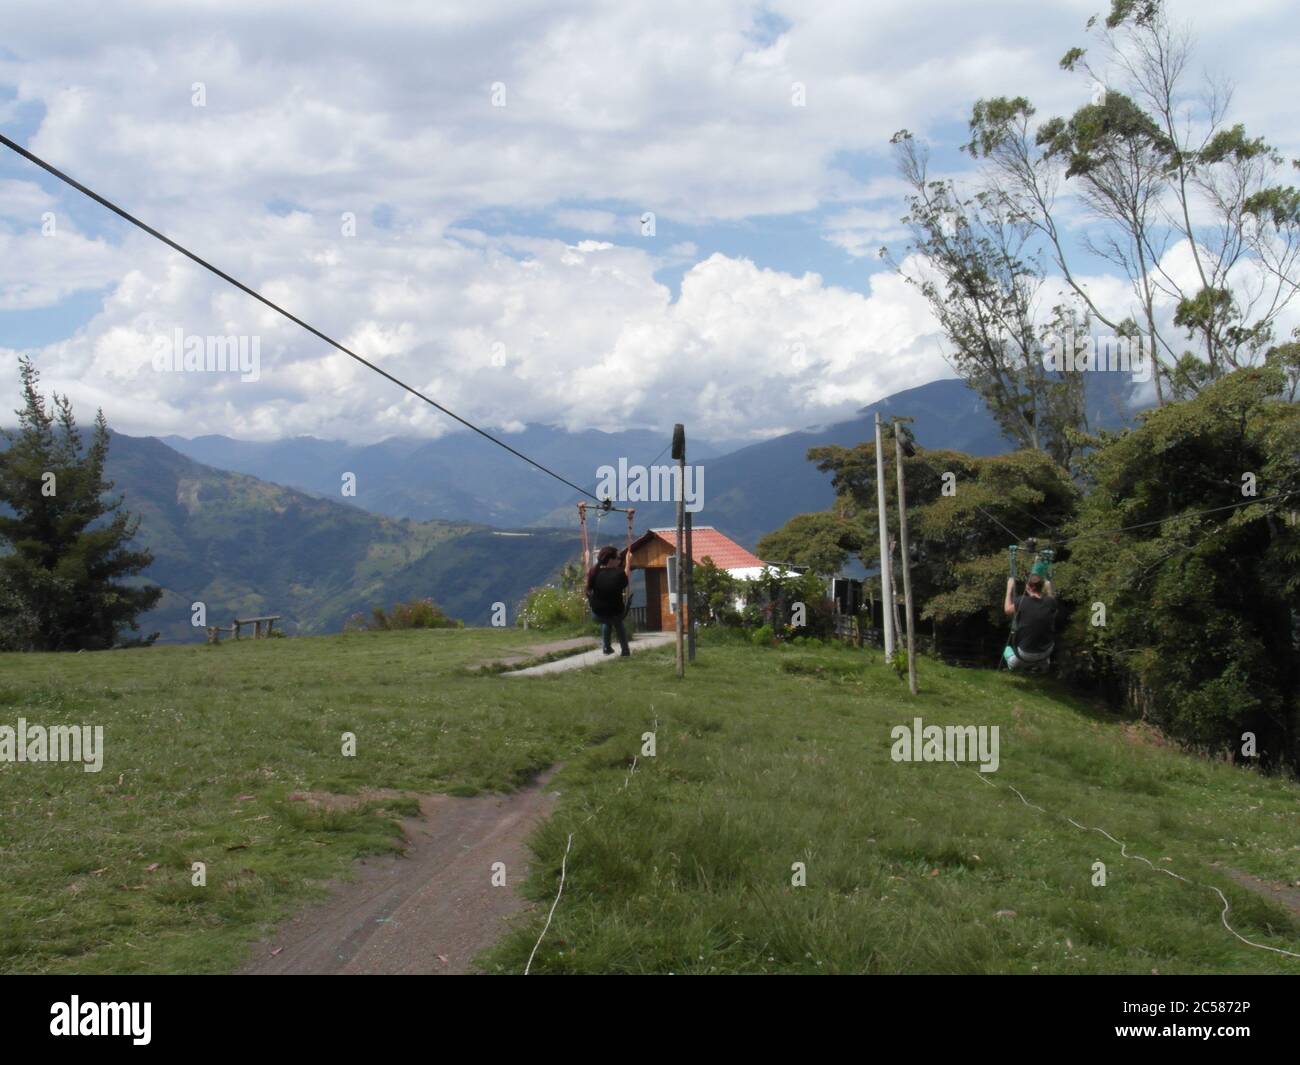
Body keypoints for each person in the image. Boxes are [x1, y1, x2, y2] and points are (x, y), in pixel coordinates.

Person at [1002, 570, 1056, 671]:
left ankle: (1015, 664)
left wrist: (1009, 588)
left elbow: (1007, 609)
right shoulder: (1050, 602)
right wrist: (1049, 589)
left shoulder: (1022, 601)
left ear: (1031, 587)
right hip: (1047, 651)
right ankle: (1042, 663)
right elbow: (1051, 597)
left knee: (1007, 650)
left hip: (1025, 654)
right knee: (1039, 651)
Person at [586, 545, 632, 656]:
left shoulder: (594, 572)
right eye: (618, 558)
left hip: (597, 614)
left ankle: (606, 647)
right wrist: (628, 562)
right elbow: (625, 580)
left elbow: (588, 584)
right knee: (617, 620)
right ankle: (625, 650)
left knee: (606, 619)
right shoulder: (619, 573)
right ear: (611, 560)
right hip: (616, 612)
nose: (620, 560)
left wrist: (587, 561)